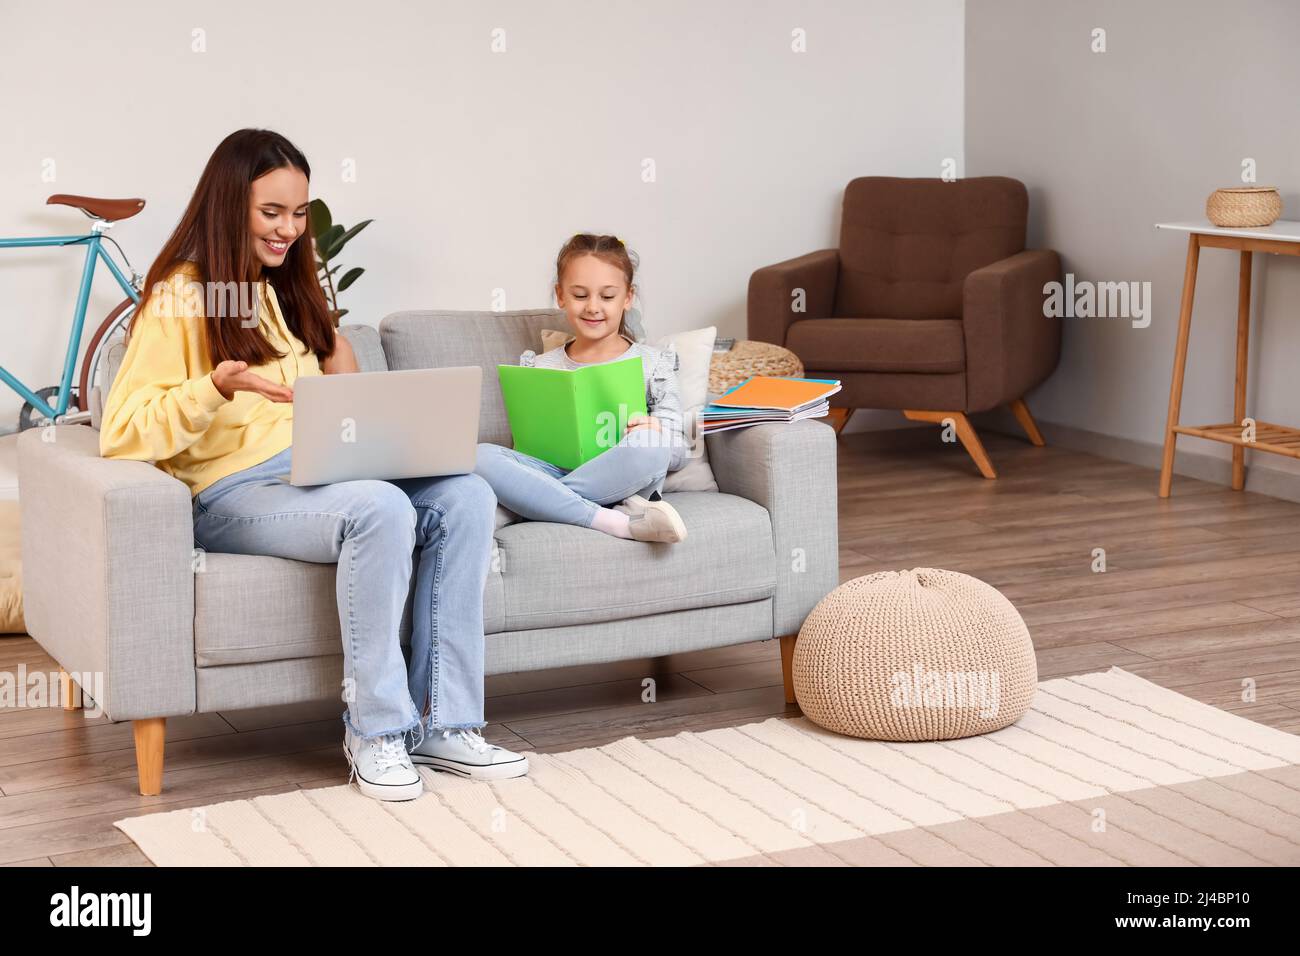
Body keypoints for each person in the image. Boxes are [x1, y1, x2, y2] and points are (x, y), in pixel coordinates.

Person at [99, 128, 527, 802]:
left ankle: (444, 723)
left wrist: (357, 409)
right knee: (380, 508)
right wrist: (216, 386)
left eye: (299, 215)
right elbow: (122, 432)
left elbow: (343, 392)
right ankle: (377, 731)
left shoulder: (287, 288)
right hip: (232, 493)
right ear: (228, 205)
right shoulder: (179, 296)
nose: (290, 230)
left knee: (467, 493)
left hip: (317, 471)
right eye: (272, 213)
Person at [474, 233, 690, 544]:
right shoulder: (539, 365)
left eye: (607, 296)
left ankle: (533, 506)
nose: (592, 307)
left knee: (651, 444)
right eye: (579, 295)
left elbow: (682, 450)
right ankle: (608, 519)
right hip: (553, 471)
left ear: (628, 297)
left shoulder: (654, 364)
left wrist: (655, 429)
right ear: (560, 295)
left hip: (623, 480)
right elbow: (526, 450)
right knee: (480, 456)